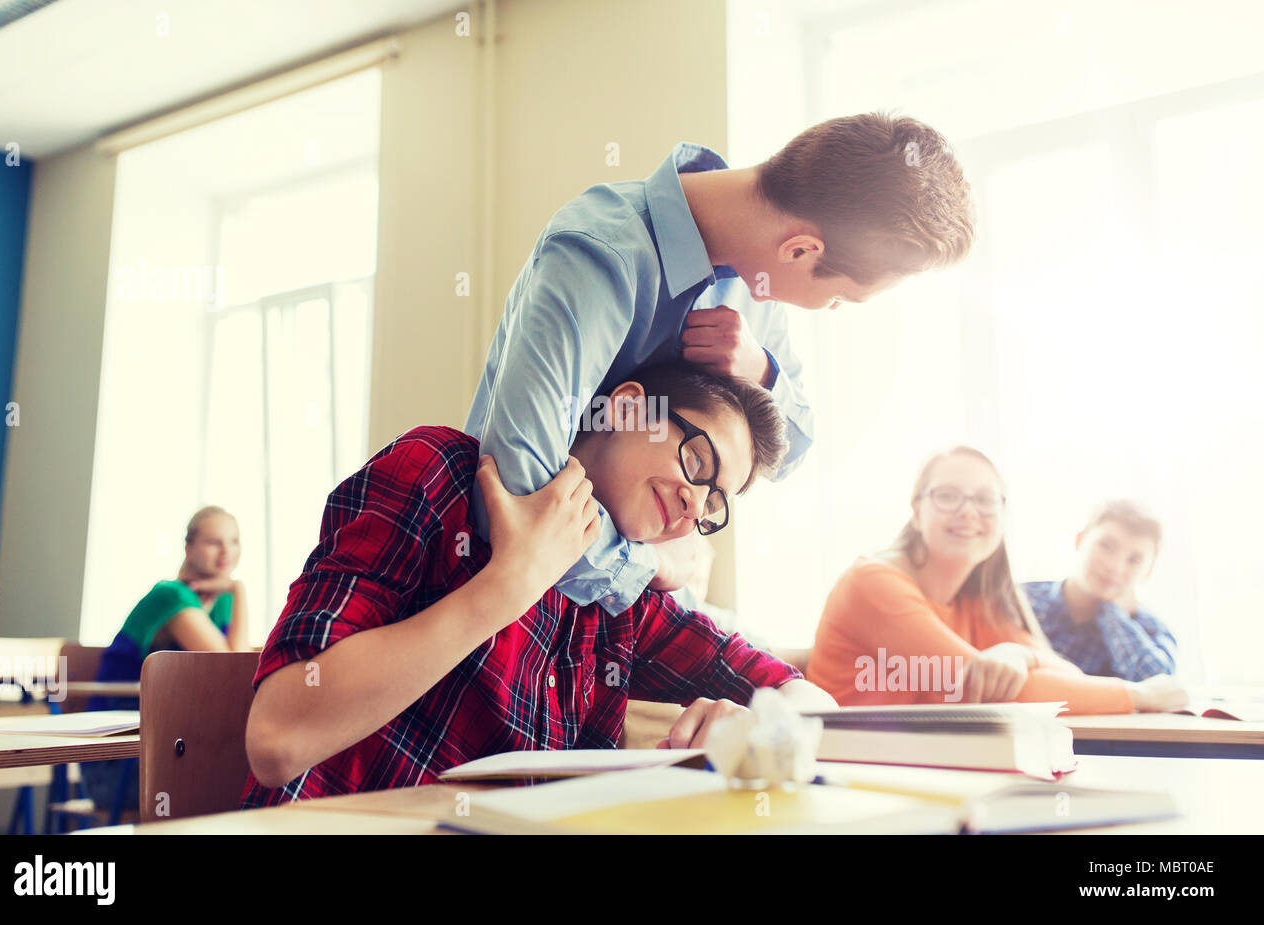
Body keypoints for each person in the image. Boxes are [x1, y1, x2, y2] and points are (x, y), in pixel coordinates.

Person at [241, 362, 836, 805]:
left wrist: (761, 724)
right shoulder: (441, 471)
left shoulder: (622, 596)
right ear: (626, 408)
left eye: (714, 502)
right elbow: (278, 736)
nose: (693, 501)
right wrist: (508, 585)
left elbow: (813, 701)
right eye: (697, 462)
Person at [466, 112, 975, 620]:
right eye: (841, 298)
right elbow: (516, 495)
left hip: (622, 621)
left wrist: (760, 371)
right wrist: (651, 563)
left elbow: (791, 451)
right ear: (801, 249)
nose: (830, 308)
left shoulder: (758, 285)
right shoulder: (600, 255)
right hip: (508, 607)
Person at [804, 447, 1188, 714]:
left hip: (917, 769)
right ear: (916, 512)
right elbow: (996, 691)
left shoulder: (974, 598)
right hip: (849, 775)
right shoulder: (873, 583)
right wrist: (1140, 694)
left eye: (986, 499)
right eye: (948, 495)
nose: (969, 512)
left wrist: (1021, 653)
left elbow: (1065, 674)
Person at [80, 505, 248, 813]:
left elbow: (239, 675)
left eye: (234, 541)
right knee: (243, 784)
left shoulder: (220, 602)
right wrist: (240, 590)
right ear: (189, 547)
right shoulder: (170, 595)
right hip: (119, 767)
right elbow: (233, 667)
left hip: (168, 755)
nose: (227, 551)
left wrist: (233, 594)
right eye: (214, 542)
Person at [1023, 500, 1177, 681]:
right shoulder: (1021, 598)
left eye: (1134, 560)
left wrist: (1113, 615)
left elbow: (1160, 685)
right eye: (1106, 546)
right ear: (1080, 540)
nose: (1115, 566)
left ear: (1148, 571)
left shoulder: (1151, 630)